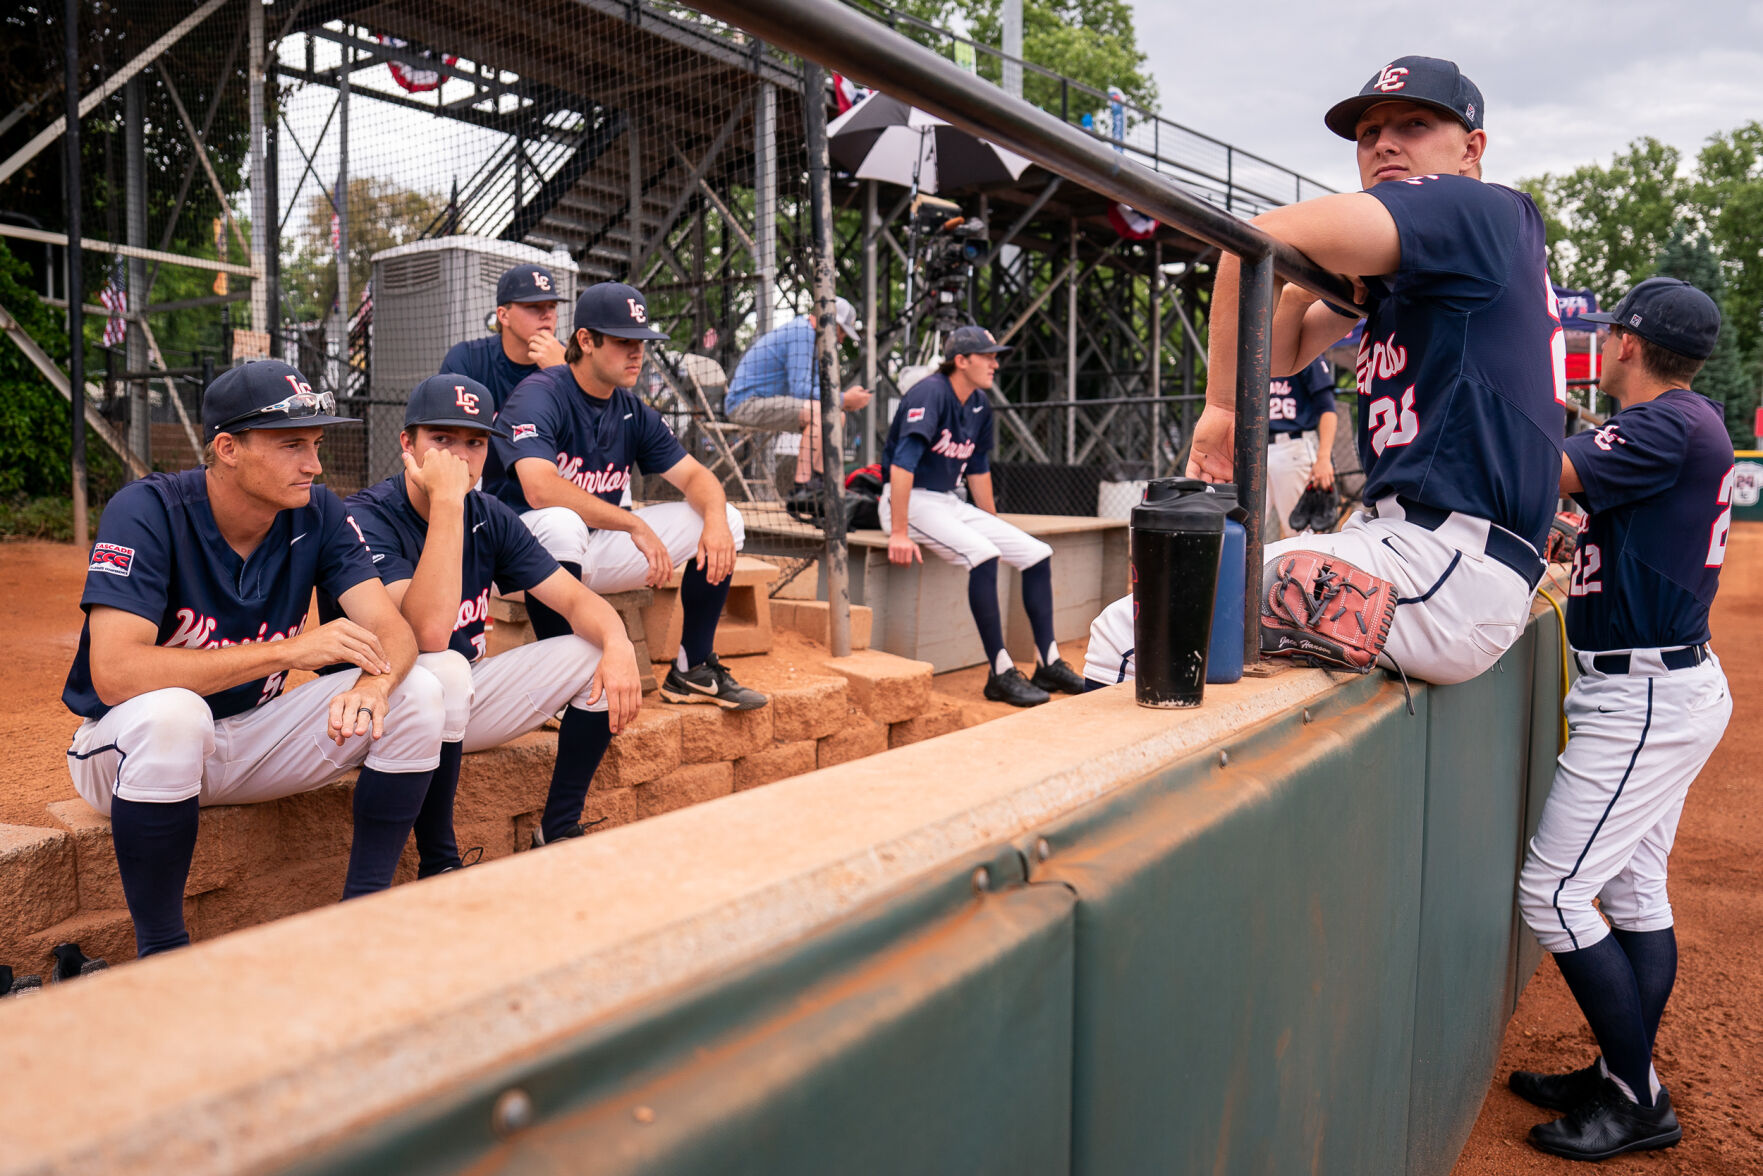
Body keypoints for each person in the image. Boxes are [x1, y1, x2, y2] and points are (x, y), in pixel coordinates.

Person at [1087, 55, 1563, 689]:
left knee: (1135, 630)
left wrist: (1223, 412)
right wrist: (1316, 286)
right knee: (1202, 627)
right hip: (1427, 558)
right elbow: (1280, 353)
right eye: (1369, 133)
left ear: (1471, 148)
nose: (1385, 143)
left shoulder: (1477, 209)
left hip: (1445, 566)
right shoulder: (1429, 264)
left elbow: (1251, 241)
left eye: (1415, 124)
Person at [62, 360, 444, 958]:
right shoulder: (146, 510)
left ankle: (365, 916)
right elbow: (115, 674)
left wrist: (376, 686)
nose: (314, 464)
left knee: (418, 692)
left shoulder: (317, 512)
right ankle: (162, 955)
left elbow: (393, 631)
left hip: (249, 738)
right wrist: (290, 650)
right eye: (292, 444)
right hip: (125, 754)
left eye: (315, 444)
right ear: (227, 448)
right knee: (175, 717)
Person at [1511, 277, 1733, 1161]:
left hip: (1646, 695)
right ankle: (1617, 1069)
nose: (1602, 347)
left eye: (1609, 337)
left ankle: (1638, 1099)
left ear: (1627, 346)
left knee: (1555, 894)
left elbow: (1543, 466)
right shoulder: (1685, 423)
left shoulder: (1664, 422)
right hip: (1655, 686)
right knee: (1634, 891)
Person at [330, 374, 644, 863]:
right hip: (373, 709)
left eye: (474, 442)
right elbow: (427, 635)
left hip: (458, 703)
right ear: (407, 444)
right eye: (441, 439)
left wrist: (619, 642)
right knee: (446, 665)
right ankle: (440, 859)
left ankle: (558, 829)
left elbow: (578, 601)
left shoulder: (489, 514)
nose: (458, 457)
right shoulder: (365, 515)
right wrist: (449, 504)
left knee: (593, 649)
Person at [485, 281, 767, 710]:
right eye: (623, 342)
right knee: (563, 524)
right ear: (586, 340)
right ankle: (559, 685)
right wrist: (634, 522)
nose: (637, 352)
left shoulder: (632, 409)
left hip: (599, 548)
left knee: (725, 518)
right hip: (525, 560)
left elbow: (696, 477)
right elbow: (539, 488)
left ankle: (692, 671)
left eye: (641, 342)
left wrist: (712, 521)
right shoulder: (540, 394)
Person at [881, 325, 1086, 707]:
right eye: (988, 355)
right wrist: (898, 531)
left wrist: (993, 523)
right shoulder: (930, 392)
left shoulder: (978, 403)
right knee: (984, 555)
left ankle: (1048, 661)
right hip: (908, 501)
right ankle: (1000, 672)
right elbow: (902, 464)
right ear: (961, 360)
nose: (995, 363)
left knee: (1037, 553)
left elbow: (977, 470)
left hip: (947, 500)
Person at [723, 297, 873, 500]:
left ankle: (821, 483)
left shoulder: (812, 339)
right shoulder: (803, 333)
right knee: (821, 413)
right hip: (744, 403)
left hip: (767, 402)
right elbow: (801, 391)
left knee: (838, 416)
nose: (841, 339)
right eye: (841, 331)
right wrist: (844, 398)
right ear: (829, 322)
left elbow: (816, 391)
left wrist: (842, 400)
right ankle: (802, 489)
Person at [439, 263, 567, 413]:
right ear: (503, 315)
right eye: (534, 306)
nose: (548, 315)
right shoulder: (468, 358)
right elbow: (449, 428)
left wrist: (562, 375)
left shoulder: (570, 362)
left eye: (552, 306)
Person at [1266, 358, 1338, 538]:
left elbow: (1327, 408)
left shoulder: (1304, 353)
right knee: (1246, 529)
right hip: (1253, 450)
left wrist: (1323, 458)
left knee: (1302, 534)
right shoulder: (1252, 353)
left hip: (1292, 448)